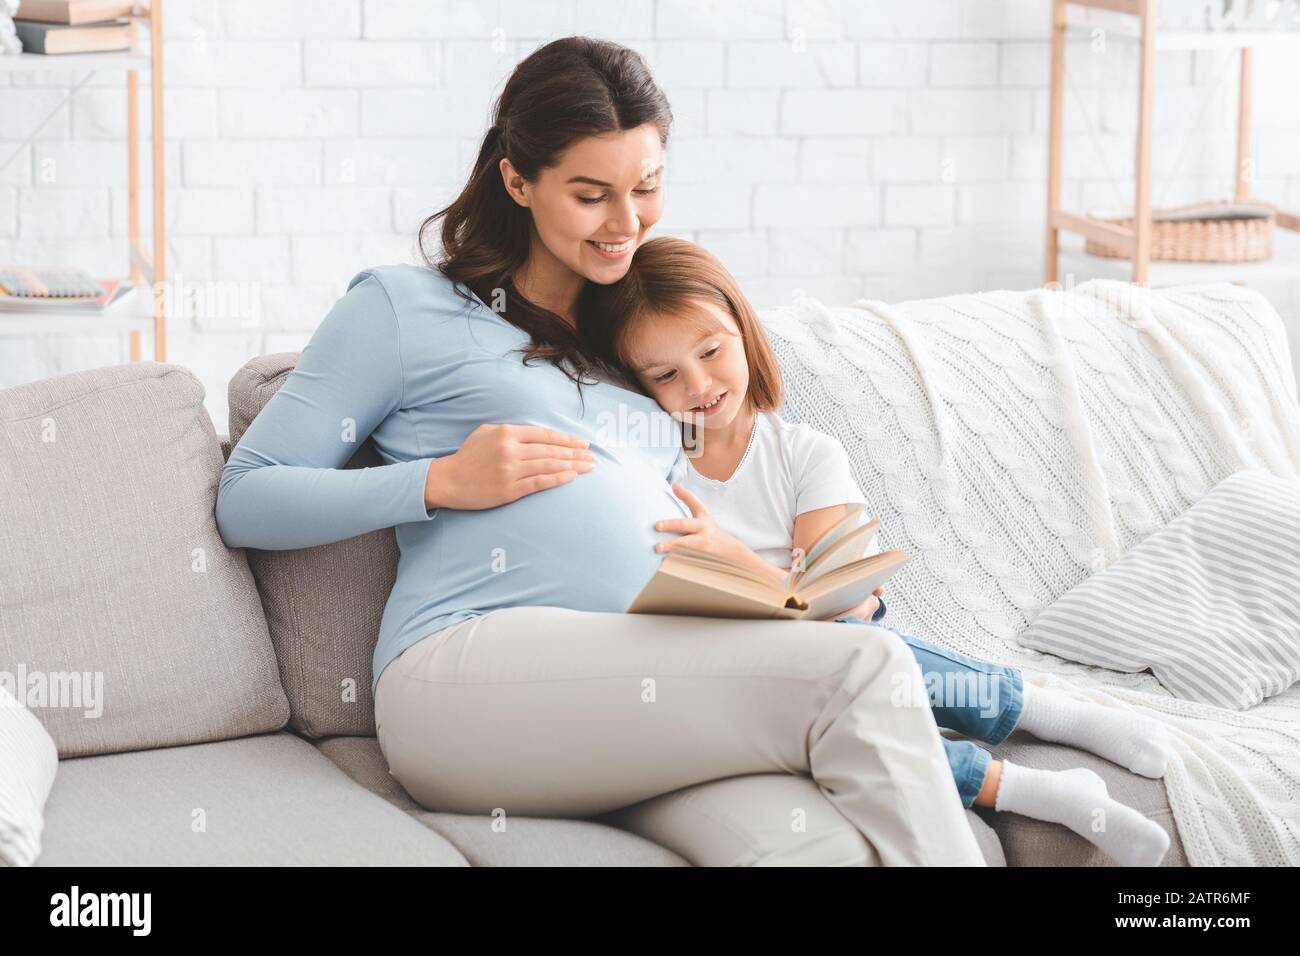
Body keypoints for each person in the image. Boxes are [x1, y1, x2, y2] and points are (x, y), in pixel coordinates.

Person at [217, 36, 987, 867]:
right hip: (470, 680)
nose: (627, 224)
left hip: (641, 695)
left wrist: (745, 573)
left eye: (646, 188)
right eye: (591, 196)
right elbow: (247, 496)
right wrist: (437, 482)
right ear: (518, 181)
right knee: (861, 670)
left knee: (824, 849)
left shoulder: (635, 337)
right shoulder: (402, 309)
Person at [578, 236, 1173, 866]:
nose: (697, 384)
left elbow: (826, 589)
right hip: (750, 666)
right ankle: (1036, 791)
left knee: (859, 652)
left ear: (743, 333)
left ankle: (1050, 712)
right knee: (850, 731)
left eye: (710, 351)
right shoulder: (653, 463)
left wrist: (731, 556)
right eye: (665, 374)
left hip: (831, 631)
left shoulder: (804, 453)